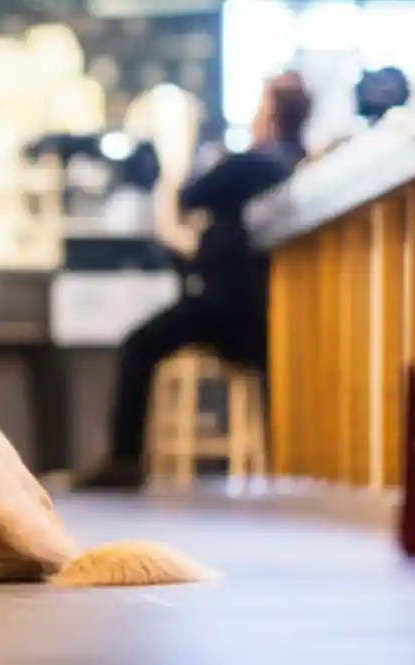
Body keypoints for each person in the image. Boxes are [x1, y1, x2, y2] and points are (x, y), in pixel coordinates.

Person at [78, 72, 312, 490]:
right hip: (262, 314)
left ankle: (124, 461)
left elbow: (185, 196)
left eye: (261, 104)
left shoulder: (254, 164)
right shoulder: (293, 161)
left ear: (272, 112)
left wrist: (175, 156)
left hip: (229, 310)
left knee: (138, 343)